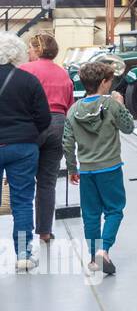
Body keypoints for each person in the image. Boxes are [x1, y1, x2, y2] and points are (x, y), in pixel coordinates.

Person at [62, 60, 133, 276]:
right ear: (103, 82)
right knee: (114, 210)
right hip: (110, 168)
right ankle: (104, 250)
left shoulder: (73, 110)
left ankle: (93, 258)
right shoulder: (111, 105)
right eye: (110, 81)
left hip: (86, 170)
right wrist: (120, 104)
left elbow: (66, 142)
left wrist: (72, 168)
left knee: (91, 214)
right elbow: (129, 127)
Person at [0, 31, 51, 271]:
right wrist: (29, 135)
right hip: (23, 146)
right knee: (21, 202)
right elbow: (44, 118)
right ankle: (23, 254)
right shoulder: (28, 80)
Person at [20, 32, 73, 244]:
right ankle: (44, 230)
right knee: (47, 182)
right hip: (58, 125)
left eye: (30, 49)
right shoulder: (63, 74)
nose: (28, 52)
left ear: (37, 49)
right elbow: (68, 105)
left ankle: (23, 231)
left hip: (31, 124)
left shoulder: (25, 70)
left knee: (23, 180)